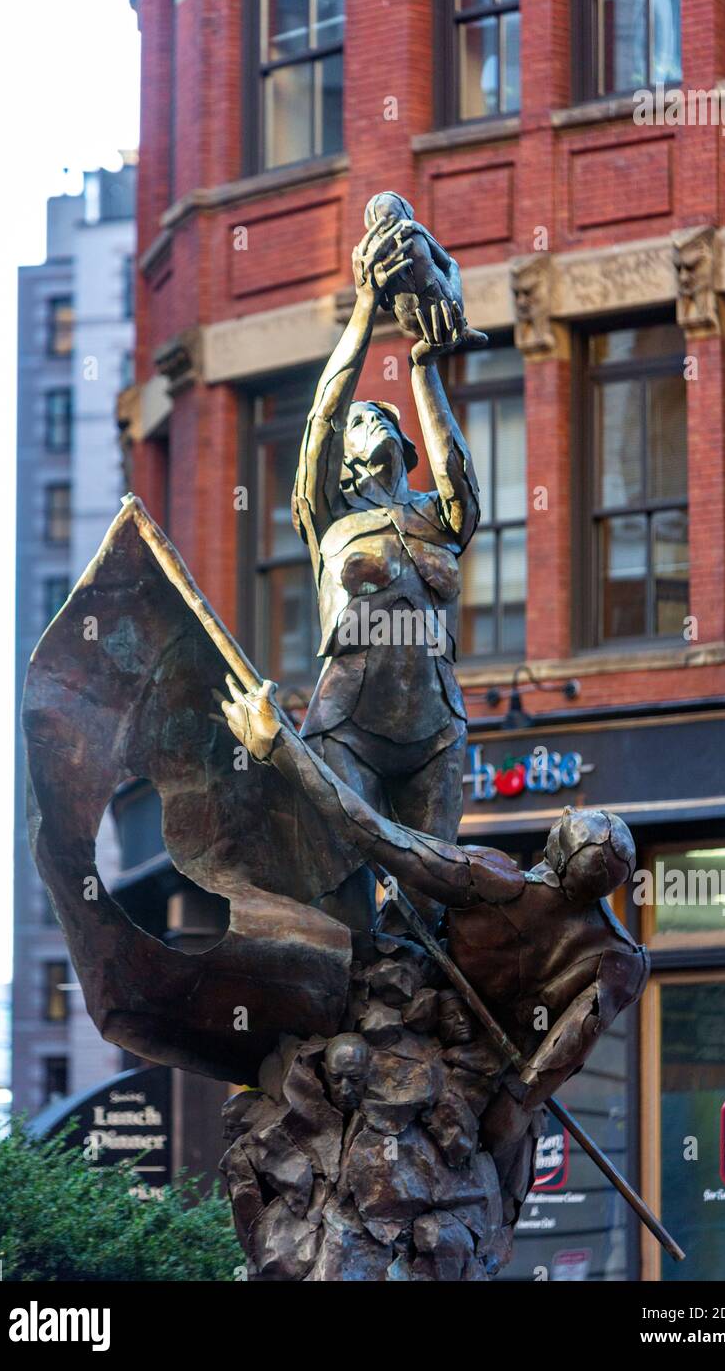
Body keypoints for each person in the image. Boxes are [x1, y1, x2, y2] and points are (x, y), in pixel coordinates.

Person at [221, 677, 651, 1105]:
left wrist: (278, 746)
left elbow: (372, 831)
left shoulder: (491, 880)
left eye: (563, 823)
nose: (566, 811)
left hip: (433, 1044)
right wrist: (517, 1103)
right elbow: (553, 1064)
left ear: (557, 851)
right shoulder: (620, 961)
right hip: (487, 1080)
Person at [291, 211, 485, 931]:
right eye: (366, 422)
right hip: (347, 725)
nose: (376, 424)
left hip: (436, 723)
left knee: (427, 909)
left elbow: (463, 486)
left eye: (386, 420)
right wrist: (367, 305)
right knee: (346, 901)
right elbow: (323, 414)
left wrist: (426, 365)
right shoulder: (327, 518)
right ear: (343, 455)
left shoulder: (436, 520)